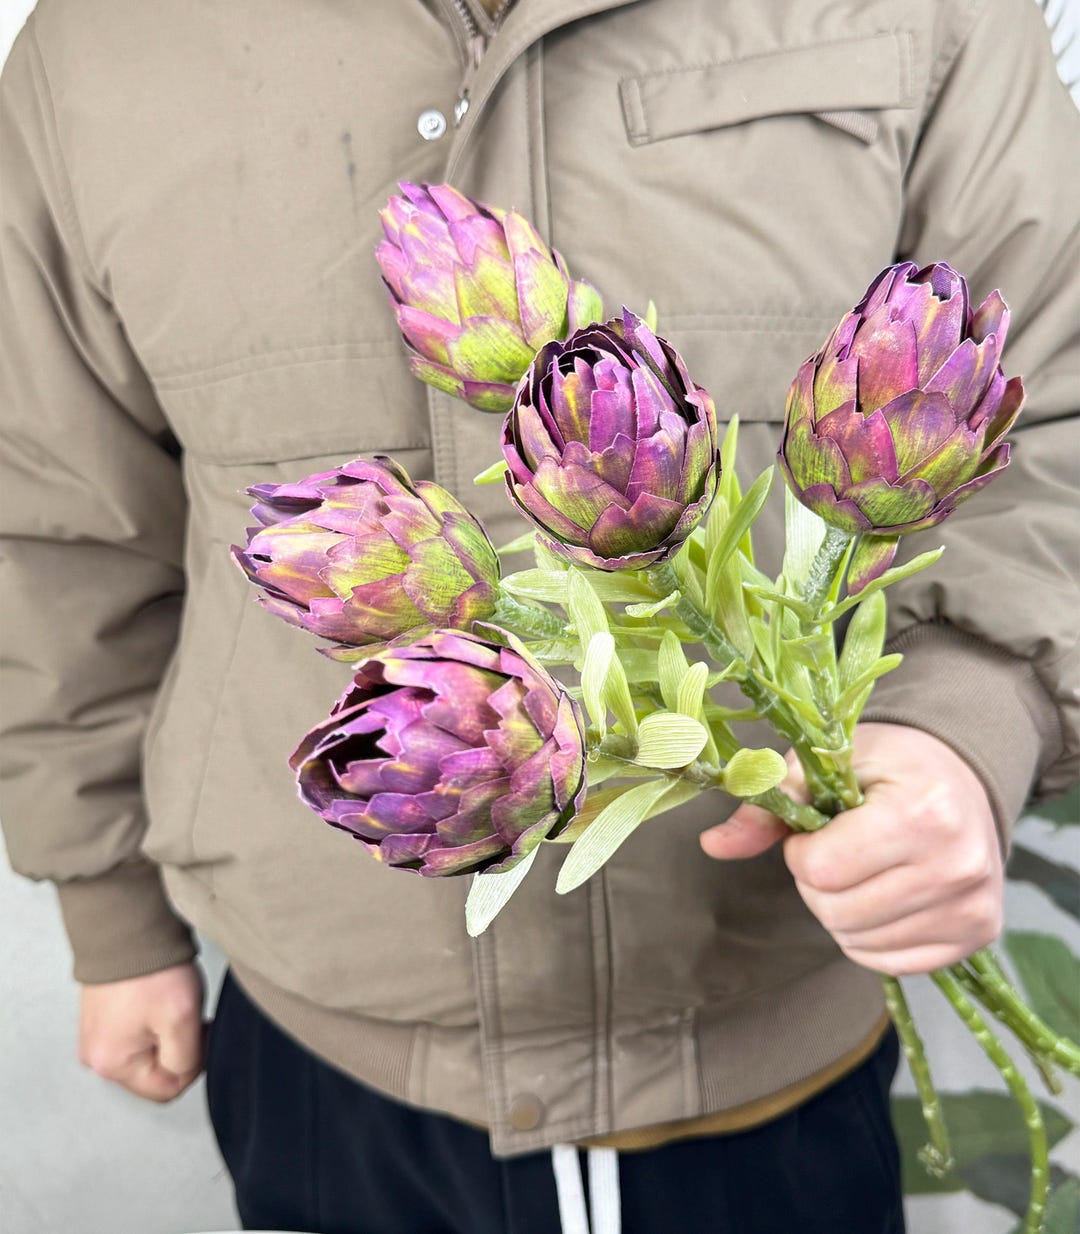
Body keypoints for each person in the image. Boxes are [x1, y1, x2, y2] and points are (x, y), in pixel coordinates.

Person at [1, 1, 1077, 1231]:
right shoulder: (97, 44)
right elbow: (57, 534)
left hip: (767, 1038)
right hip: (323, 1045)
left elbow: (1055, 405)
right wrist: (112, 918)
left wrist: (962, 724)